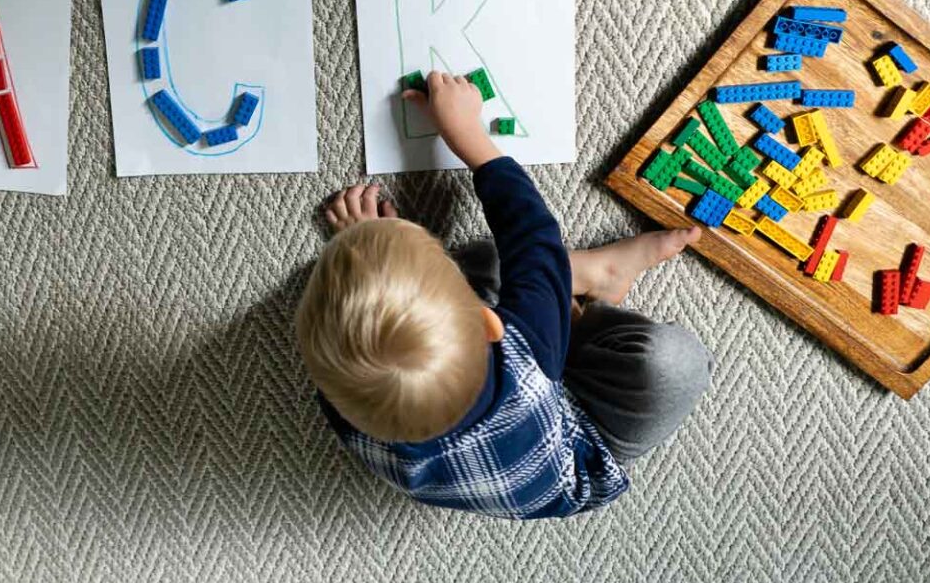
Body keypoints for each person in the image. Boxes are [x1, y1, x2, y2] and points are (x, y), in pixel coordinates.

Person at [295, 71, 712, 518]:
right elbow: (532, 235)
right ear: (490, 322)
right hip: (574, 447)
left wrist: (365, 240)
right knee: (672, 365)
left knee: (475, 267)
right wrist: (467, 134)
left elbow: (373, 342)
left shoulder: (344, 395)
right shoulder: (521, 348)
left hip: (491, 440)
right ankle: (598, 275)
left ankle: (571, 290)